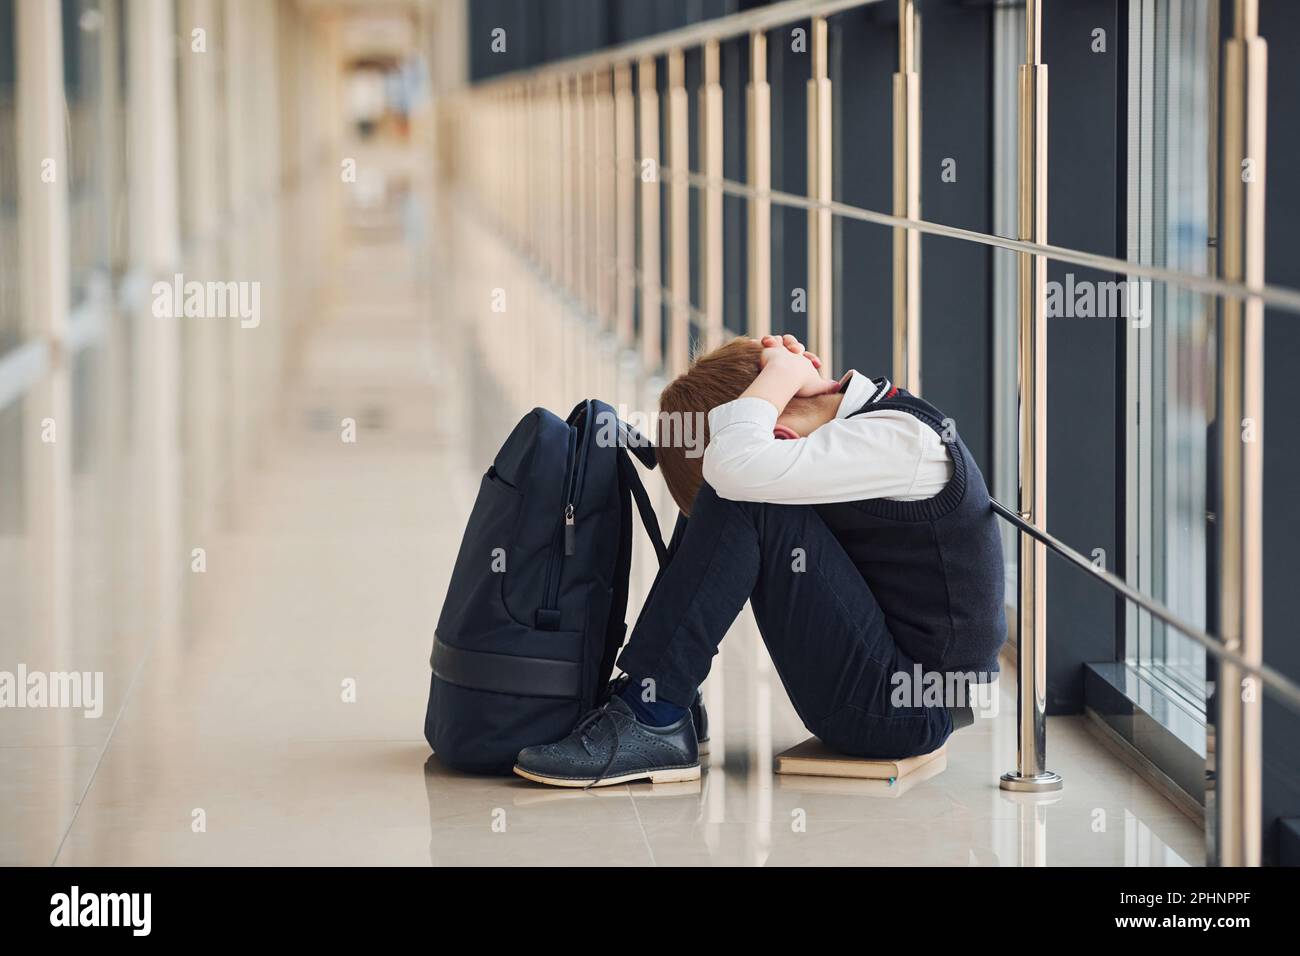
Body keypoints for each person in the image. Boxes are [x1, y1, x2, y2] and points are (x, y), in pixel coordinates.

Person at [511, 334, 1006, 788]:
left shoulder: (898, 440)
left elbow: (736, 465)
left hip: (900, 712)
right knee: (735, 480)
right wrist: (781, 381)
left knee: (739, 488)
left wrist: (779, 378)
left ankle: (652, 711)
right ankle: (668, 696)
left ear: (777, 419)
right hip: (897, 684)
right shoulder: (859, 423)